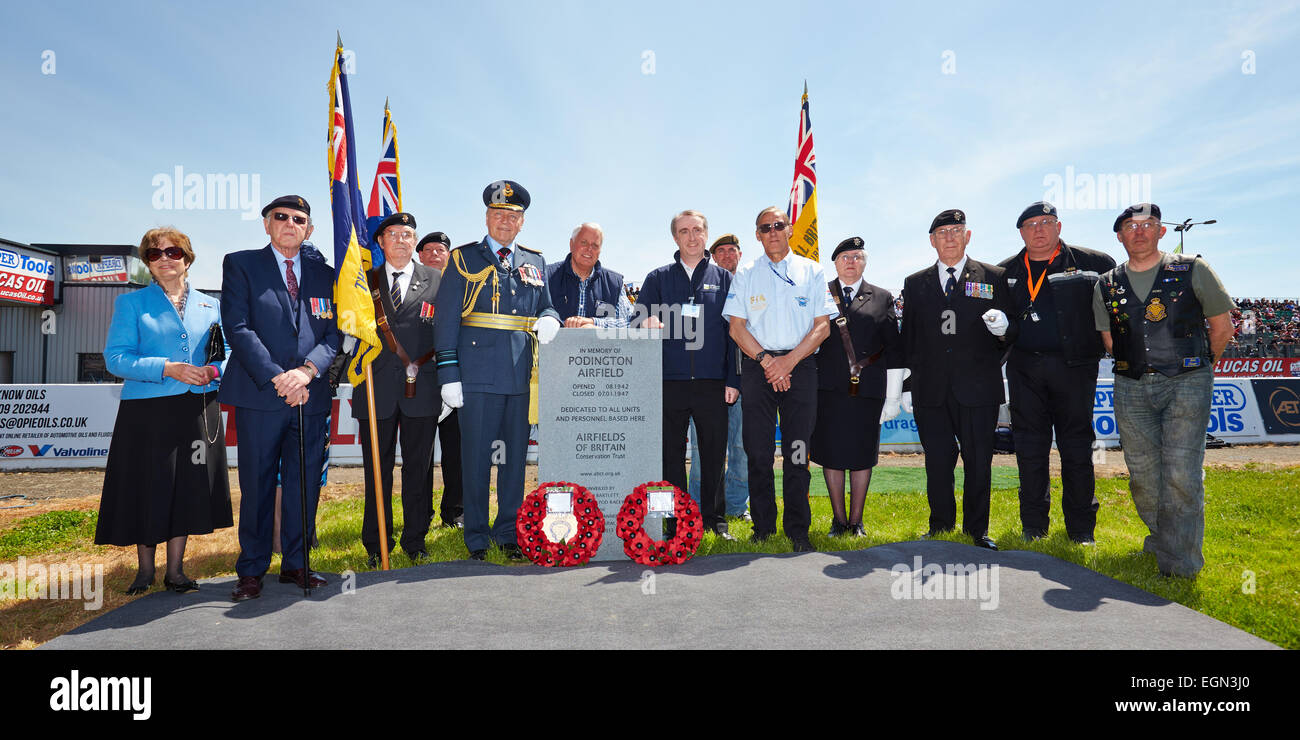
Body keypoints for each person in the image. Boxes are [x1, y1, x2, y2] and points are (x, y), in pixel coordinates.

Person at [1092, 203, 1234, 578]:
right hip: (1130, 386)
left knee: (1181, 474)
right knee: (1142, 475)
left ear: (1161, 232)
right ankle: (1162, 539)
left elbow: (1221, 328)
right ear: (1119, 236)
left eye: (1148, 224)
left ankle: (1181, 565)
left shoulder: (1193, 270)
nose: (1139, 231)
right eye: (1130, 226)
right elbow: (1110, 340)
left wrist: (1198, 369)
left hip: (1186, 383)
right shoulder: (1106, 283)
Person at [95, 227, 232, 595]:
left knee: (185, 488)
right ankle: (145, 571)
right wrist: (166, 368)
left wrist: (214, 371)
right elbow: (116, 358)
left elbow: (229, 352)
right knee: (148, 487)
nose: (165, 260)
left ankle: (176, 571)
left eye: (173, 252)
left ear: (187, 259)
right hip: (148, 412)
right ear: (148, 264)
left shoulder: (211, 305)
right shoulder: (131, 304)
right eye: (155, 255)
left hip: (197, 408)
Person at [221, 195, 340, 600]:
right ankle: (252, 569)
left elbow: (334, 335)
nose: (290, 223)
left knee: (303, 484)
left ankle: (296, 563)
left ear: (309, 229)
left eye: (299, 219)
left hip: (310, 395)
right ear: (267, 224)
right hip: (261, 395)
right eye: (281, 217)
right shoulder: (241, 264)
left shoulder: (327, 275)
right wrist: (279, 378)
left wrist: (306, 372)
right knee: (256, 485)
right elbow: (237, 328)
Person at [434, 180, 561, 561]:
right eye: (498, 214)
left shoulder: (535, 261)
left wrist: (551, 318)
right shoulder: (462, 259)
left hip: (522, 378)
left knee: (513, 460)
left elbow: (548, 306)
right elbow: (445, 321)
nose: (505, 221)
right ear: (487, 217)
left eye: (513, 216)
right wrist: (449, 374)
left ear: (522, 222)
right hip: (477, 377)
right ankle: (475, 534)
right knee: (475, 459)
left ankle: (508, 530)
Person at [998, 201, 1115, 544]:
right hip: (1025, 370)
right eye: (1031, 224)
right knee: (1030, 451)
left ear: (1059, 226)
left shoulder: (1095, 263)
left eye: (1046, 222)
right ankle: (1034, 526)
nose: (1039, 229)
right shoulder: (1005, 272)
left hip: (1075, 369)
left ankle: (1081, 529)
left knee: (1078, 449)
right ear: (1021, 232)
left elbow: (1115, 312)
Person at [901, 209, 1015, 550]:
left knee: (978, 461)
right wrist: (907, 386)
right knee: (938, 460)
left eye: (956, 231)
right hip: (930, 389)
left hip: (978, 387)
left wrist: (1003, 330)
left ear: (967, 236)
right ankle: (940, 525)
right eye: (942, 232)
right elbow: (909, 338)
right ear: (932, 241)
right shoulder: (915, 283)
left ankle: (977, 529)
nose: (949, 237)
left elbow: (1010, 332)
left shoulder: (993, 276)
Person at [723, 206, 835, 552]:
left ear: (790, 229)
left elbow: (823, 326)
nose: (772, 231)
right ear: (757, 235)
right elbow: (736, 327)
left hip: (799, 367)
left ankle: (798, 529)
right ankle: (764, 528)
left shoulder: (812, 270)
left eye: (778, 225)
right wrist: (768, 361)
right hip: (759, 368)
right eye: (764, 228)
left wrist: (788, 362)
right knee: (758, 453)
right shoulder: (745, 273)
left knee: (797, 453)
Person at [634, 210, 741, 539]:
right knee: (670, 459)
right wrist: (644, 322)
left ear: (706, 234)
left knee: (712, 456)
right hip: (669, 383)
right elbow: (637, 319)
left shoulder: (724, 279)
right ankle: (672, 523)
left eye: (697, 230)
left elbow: (735, 333)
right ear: (675, 237)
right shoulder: (658, 278)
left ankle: (714, 521)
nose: (691, 236)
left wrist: (733, 380)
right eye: (684, 231)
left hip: (712, 385)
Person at [353, 213, 442, 567]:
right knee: (377, 470)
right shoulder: (361, 281)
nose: (402, 241)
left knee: (418, 469)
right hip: (374, 388)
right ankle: (377, 544)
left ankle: (415, 539)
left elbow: (446, 334)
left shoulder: (436, 280)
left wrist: (448, 382)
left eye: (408, 234)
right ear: (380, 242)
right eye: (394, 234)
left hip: (422, 388)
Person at [811, 237, 904, 537]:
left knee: (863, 455)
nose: (851, 261)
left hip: (868, 389)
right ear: (835, 262)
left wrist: (895, 393)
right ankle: (838, 521)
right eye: (845, 256)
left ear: (864, 262)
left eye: (857, 256)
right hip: (829, 389)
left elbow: (892, 345)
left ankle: (857, 521)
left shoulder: (881, 296)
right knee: (832, 454)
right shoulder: (819, 291)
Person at [687, 234, 750, 520]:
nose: (726, 255)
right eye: (720, 251)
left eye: (731, 250)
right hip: (710, 381)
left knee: (742, 448)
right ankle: (699, 508)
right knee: (703, 450)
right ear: (713, 256)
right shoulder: (703, 289)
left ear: (739, 254)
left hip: (747, 379)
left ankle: (737, 507)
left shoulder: (751, 286)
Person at [416, 230, 463, 529]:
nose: (435, 254)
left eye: (441, 250)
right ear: (419, 256)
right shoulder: (410, 285)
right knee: (420, 453)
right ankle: (420, 514)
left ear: (448, 256)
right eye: (429, 250)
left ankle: (455, 512)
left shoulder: (459, 286)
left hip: (453, 379)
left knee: (456, 451)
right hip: (419, 381)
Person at [546, 223, 634, 328]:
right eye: (584, 242)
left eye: (595, 245)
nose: (589, 249)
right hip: (553, 344)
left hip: (598, 345)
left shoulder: (614, 283)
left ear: (600, 250)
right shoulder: (546, 276)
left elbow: (632, 322)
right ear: (571, 244)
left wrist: (594, 323)